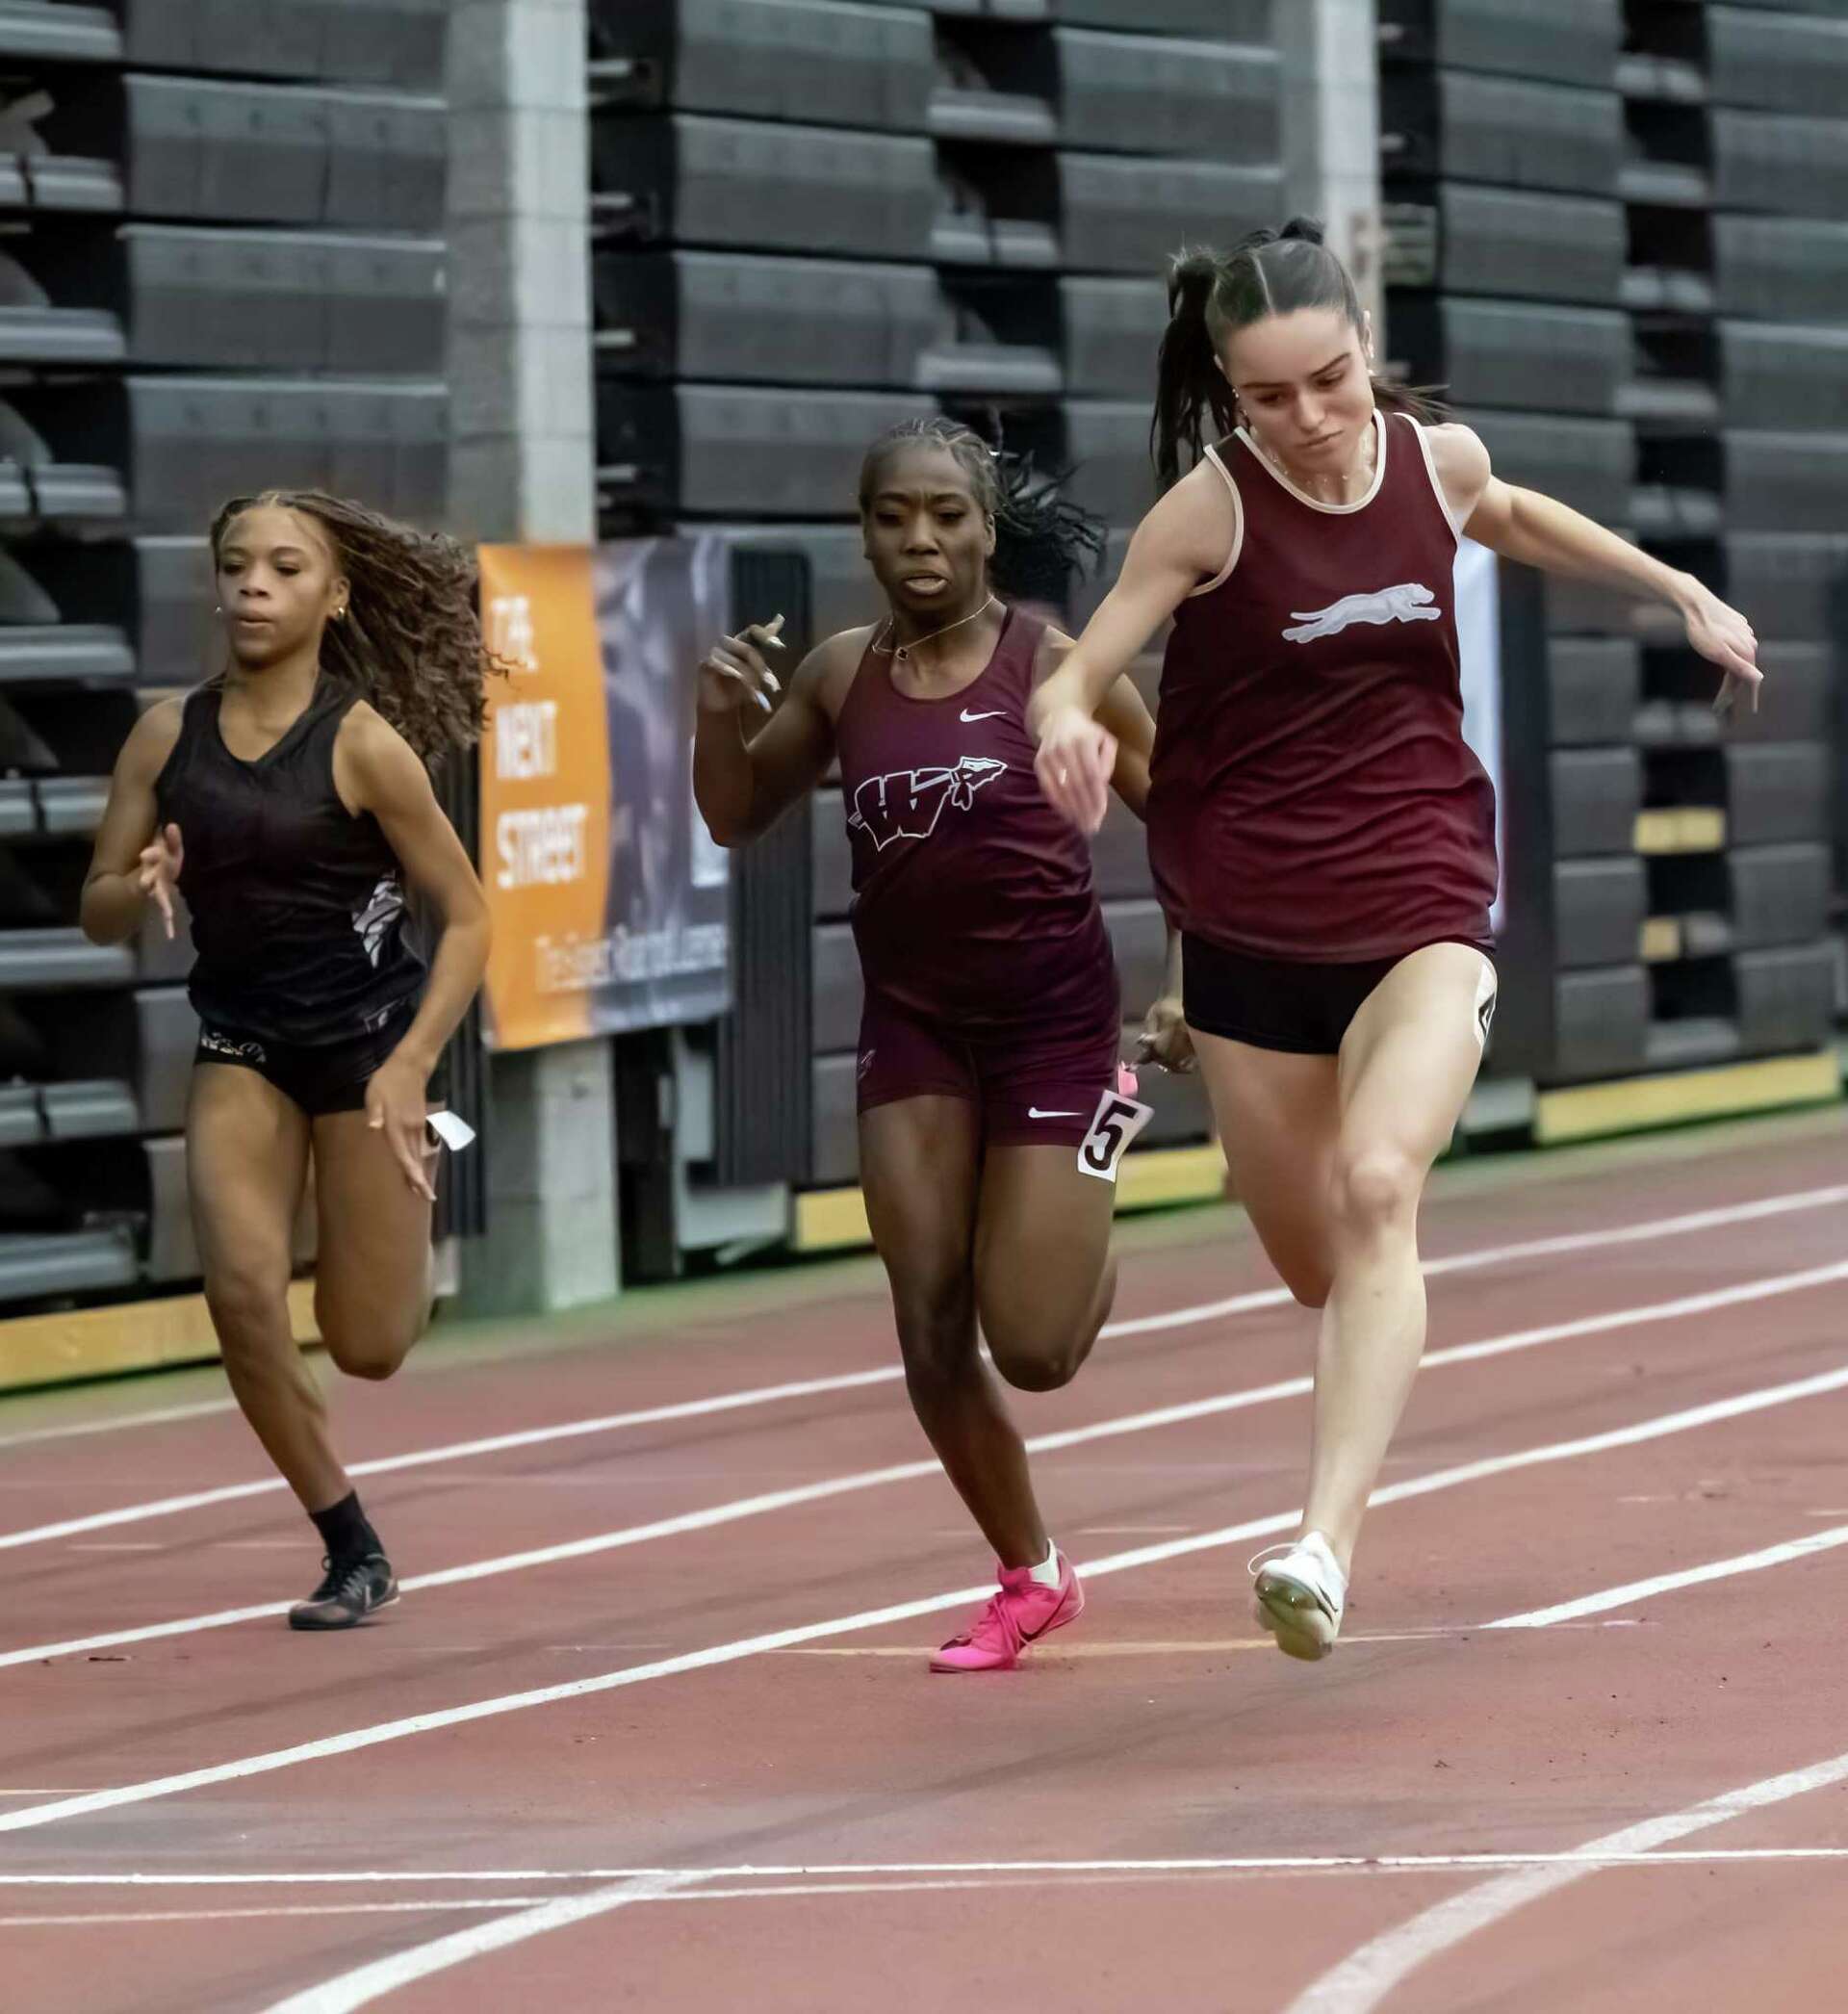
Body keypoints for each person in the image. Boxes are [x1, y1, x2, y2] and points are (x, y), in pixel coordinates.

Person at [1030, 220, 1761, 1661]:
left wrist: (1678, 589)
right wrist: (1065, 732)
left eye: (1331, 381)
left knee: (1380, 1189)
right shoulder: (1208, 514)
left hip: (1422, 897)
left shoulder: (1436, 462)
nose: (1309, 418)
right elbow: (1084, 667)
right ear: (1230, 394)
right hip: (1247, 935)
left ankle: (1320, 1548)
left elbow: (1517, 513)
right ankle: (1350, 1294)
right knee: (1321, 1266)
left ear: (1367, 348)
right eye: (1268, 397)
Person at [694, 418, 1183, 1672]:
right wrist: (716, 720)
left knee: (1037, 1348)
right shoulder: (837, 677)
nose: (920, 537)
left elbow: (1191, 817)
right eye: (893, 515)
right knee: (928, 1324)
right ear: (863, 535)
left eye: (946, 515)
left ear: (986, 529)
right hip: (913, 1028)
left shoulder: (1056, 665)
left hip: (1056, 1030)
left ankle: (1094, 1182)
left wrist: (1189, 978)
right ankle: (1033, 1574)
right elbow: (736, 813)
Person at [81, 491, 496, 1630]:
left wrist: (411, 1064)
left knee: (369, 1344)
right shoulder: (166, 737)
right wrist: (139, 884)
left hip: (369, 1056)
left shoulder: (363, 745)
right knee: (242, 1296)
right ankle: (350, 1544)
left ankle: (418, 1175)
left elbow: (468, 917)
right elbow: (97, 910)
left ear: (335, 595)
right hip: (243, 1046)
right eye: (236, 565)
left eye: (284, 567)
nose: (254, 585)